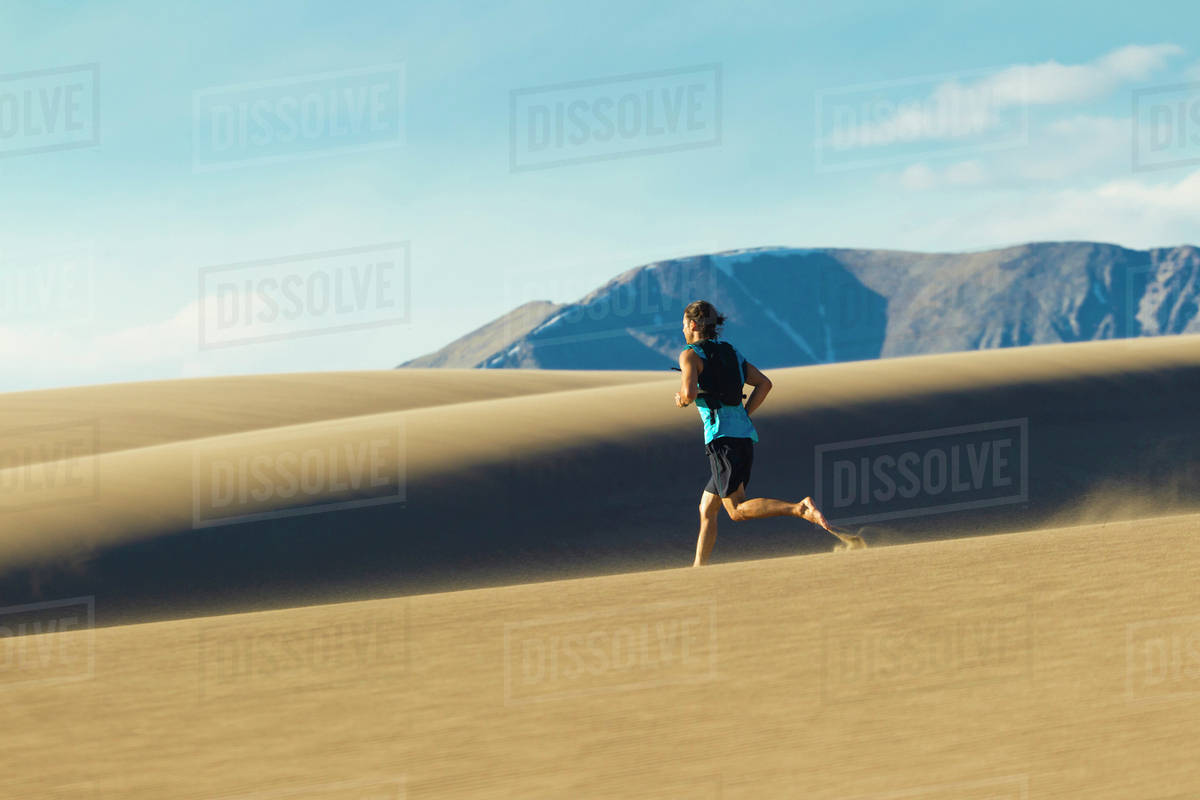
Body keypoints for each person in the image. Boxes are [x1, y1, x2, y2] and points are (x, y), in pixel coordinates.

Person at [673, 300, 865, 566]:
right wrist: (745, 414)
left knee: (737, 510)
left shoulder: (690, 355)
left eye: (683, 324)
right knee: (707, 508)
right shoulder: (732, 352)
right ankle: (699, 569)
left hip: (721, 440)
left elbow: (690, 393)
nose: (682, 329)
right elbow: (764, 384)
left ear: (693, 325)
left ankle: (800, 509)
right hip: (743, 437)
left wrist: (682, 400)